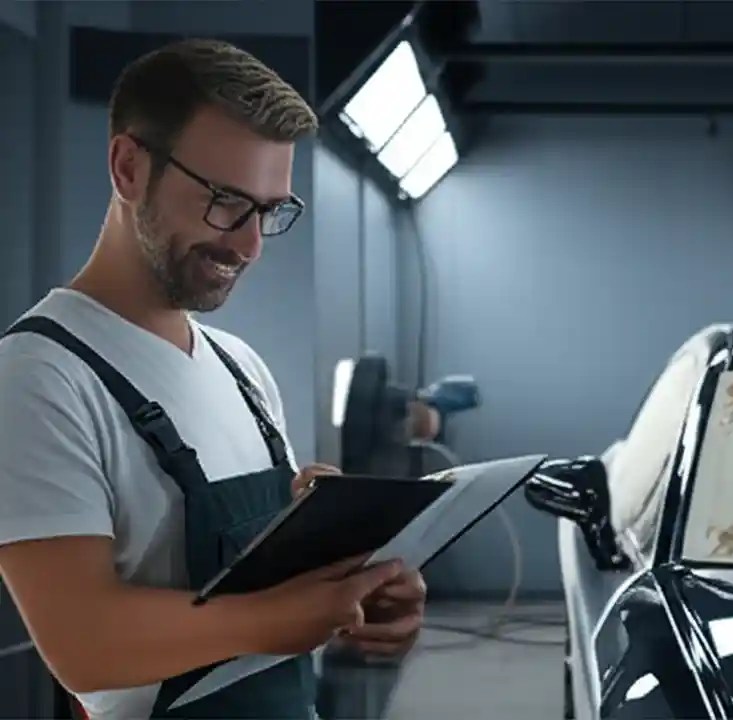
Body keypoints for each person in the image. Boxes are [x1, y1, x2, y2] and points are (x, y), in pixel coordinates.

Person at [0, 39, 426, 719]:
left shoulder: (242, 366)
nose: (250, 244)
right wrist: (276, 617)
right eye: (227, 202)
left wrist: (357, 595)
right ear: (129, 167)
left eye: (270, 211)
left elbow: (273, 621)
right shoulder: (39, 376)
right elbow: (82, 645)